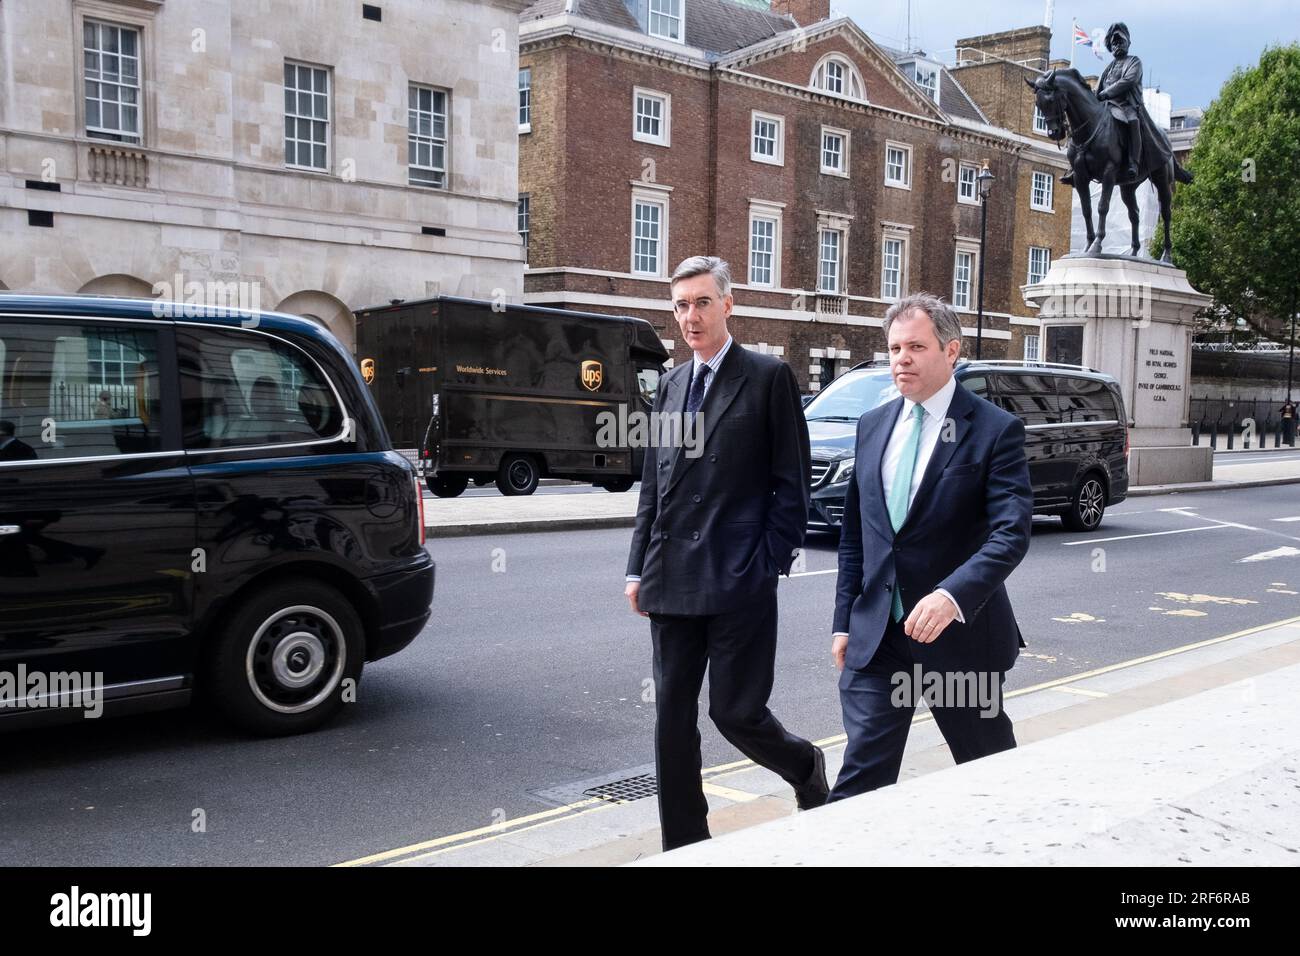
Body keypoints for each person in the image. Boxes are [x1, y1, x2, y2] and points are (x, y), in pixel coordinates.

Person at [624, 255, 825, 851]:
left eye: (702, 302)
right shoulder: (669, 385)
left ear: (728, 304)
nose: (690, 316)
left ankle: (803, 765)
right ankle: (684, 845)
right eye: (681, 305)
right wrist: (637, 566)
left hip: (740, 580)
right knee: (671, 722)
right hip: (672, 578)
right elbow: (655, 486)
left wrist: (768, 563)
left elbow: (792, 483)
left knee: (735, 713)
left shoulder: (767, 377)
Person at [829, 293, 1032, 800]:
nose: (902, 358)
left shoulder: (993, 430)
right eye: (895, 347)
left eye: (916, 346)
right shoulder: (873, 426)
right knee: (861, 778)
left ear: (951, 351)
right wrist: (842, 621)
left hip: (960, 641)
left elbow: (1011, 533)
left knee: (989, 774)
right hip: (880, 638)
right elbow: (857, 536)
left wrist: (952, 595)